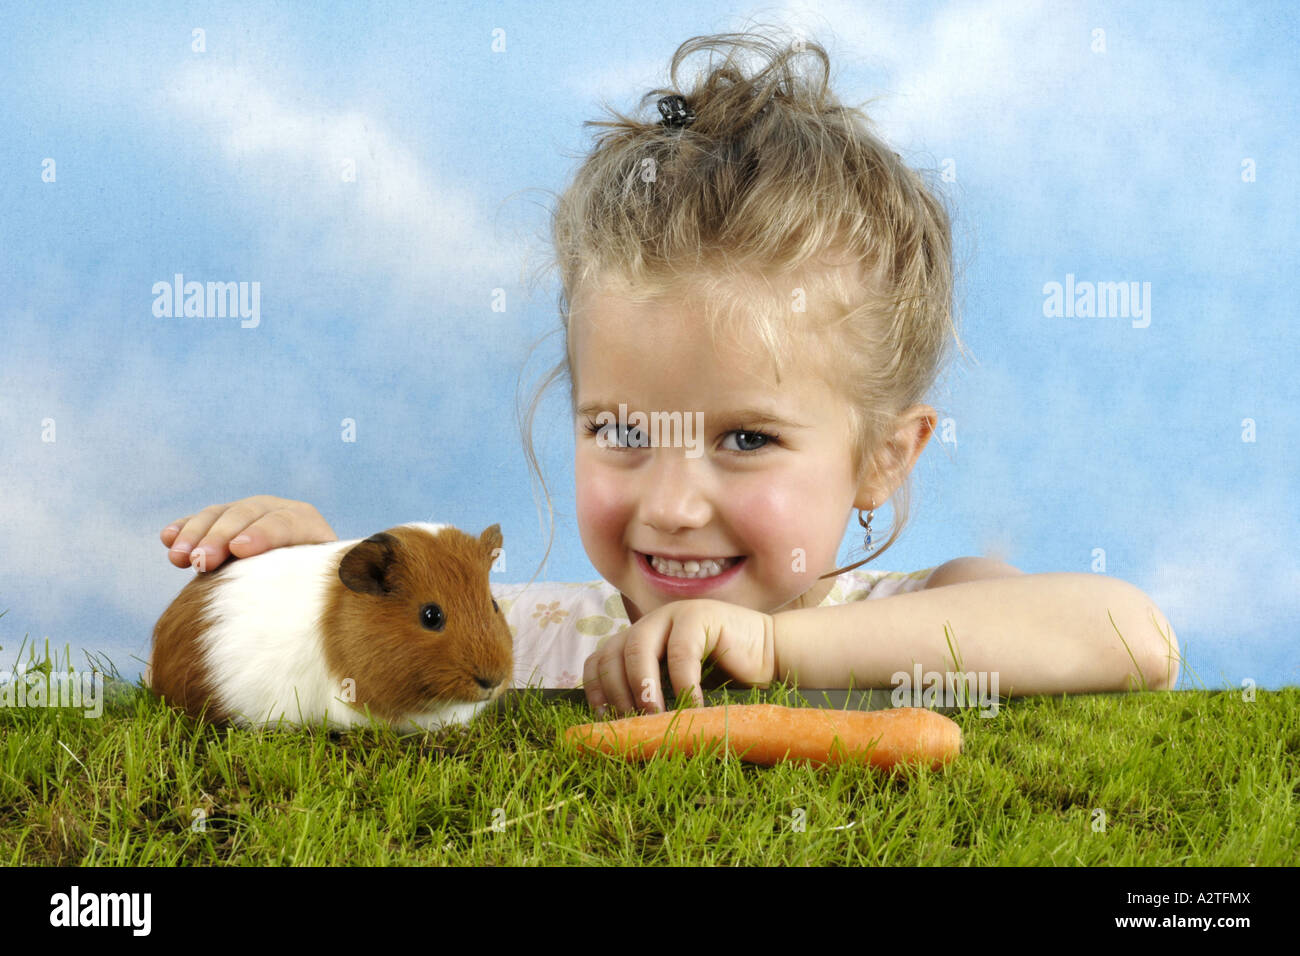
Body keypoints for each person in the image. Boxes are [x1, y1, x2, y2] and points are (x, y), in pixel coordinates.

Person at [158, 31, 1180, 718]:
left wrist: (779, 651)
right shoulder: (544, 633)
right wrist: (302, 578)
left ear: (882, 459)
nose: (672, 502)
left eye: (746, 438)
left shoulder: (906, 613)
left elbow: (1130, 635)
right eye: (621, 430)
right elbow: (378, 658)